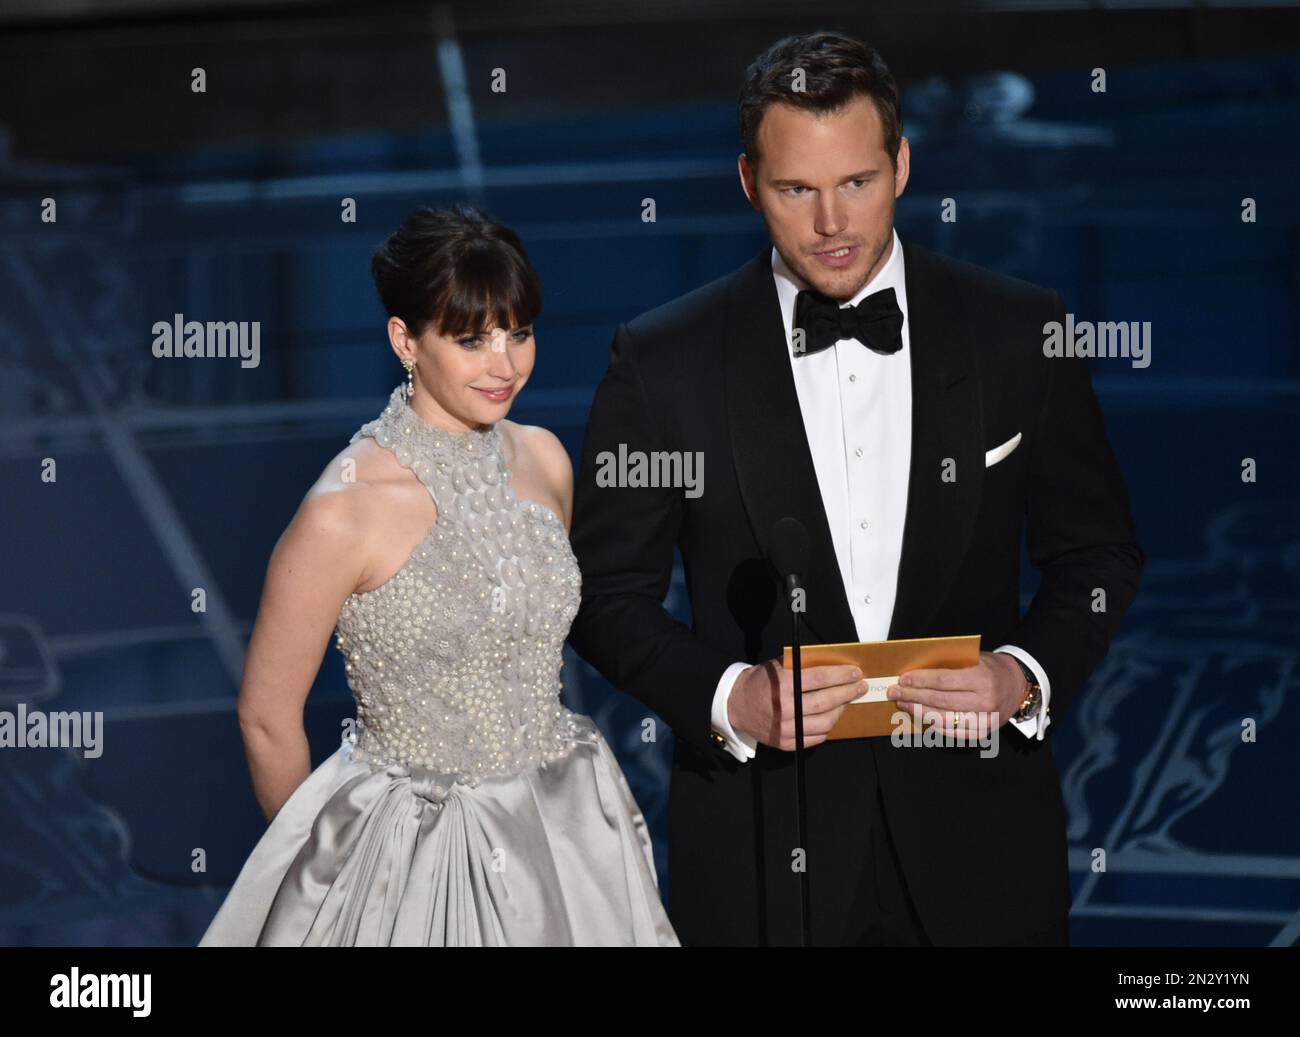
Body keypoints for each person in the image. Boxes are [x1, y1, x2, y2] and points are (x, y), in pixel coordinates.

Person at [566, 31, 1143, 946]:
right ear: (749, 182)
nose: (833, 222)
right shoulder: (663, 361)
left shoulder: (1018, 331)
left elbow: (1098, 554)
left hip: (983, 849)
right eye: (799, 189)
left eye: (858, 183)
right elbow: (602, 594)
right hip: (762, 852)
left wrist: (1020, 676)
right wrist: (729, 697)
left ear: (903, 166)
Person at [200, 205, 678, 946]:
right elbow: (265, 718)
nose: (505, 363)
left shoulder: (546, 460)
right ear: (405, 340)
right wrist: (336, 874)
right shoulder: (343, 508)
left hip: (567, 823)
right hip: (414, 857)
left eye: (519, 332)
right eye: (471, 338)